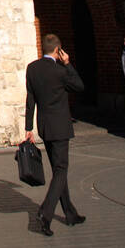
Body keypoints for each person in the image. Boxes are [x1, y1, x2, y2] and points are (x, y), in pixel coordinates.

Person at [24, 33, 86, 236]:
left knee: (58, 170)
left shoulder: (32, 68)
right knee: (61, 170)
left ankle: (70, 213)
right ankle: (45, 212)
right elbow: (79, 86)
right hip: (60, 127)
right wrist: (68, 64)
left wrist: (28, 128)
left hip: (44, 127)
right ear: (58, 50)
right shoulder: (60, 71)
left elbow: (30, 99)